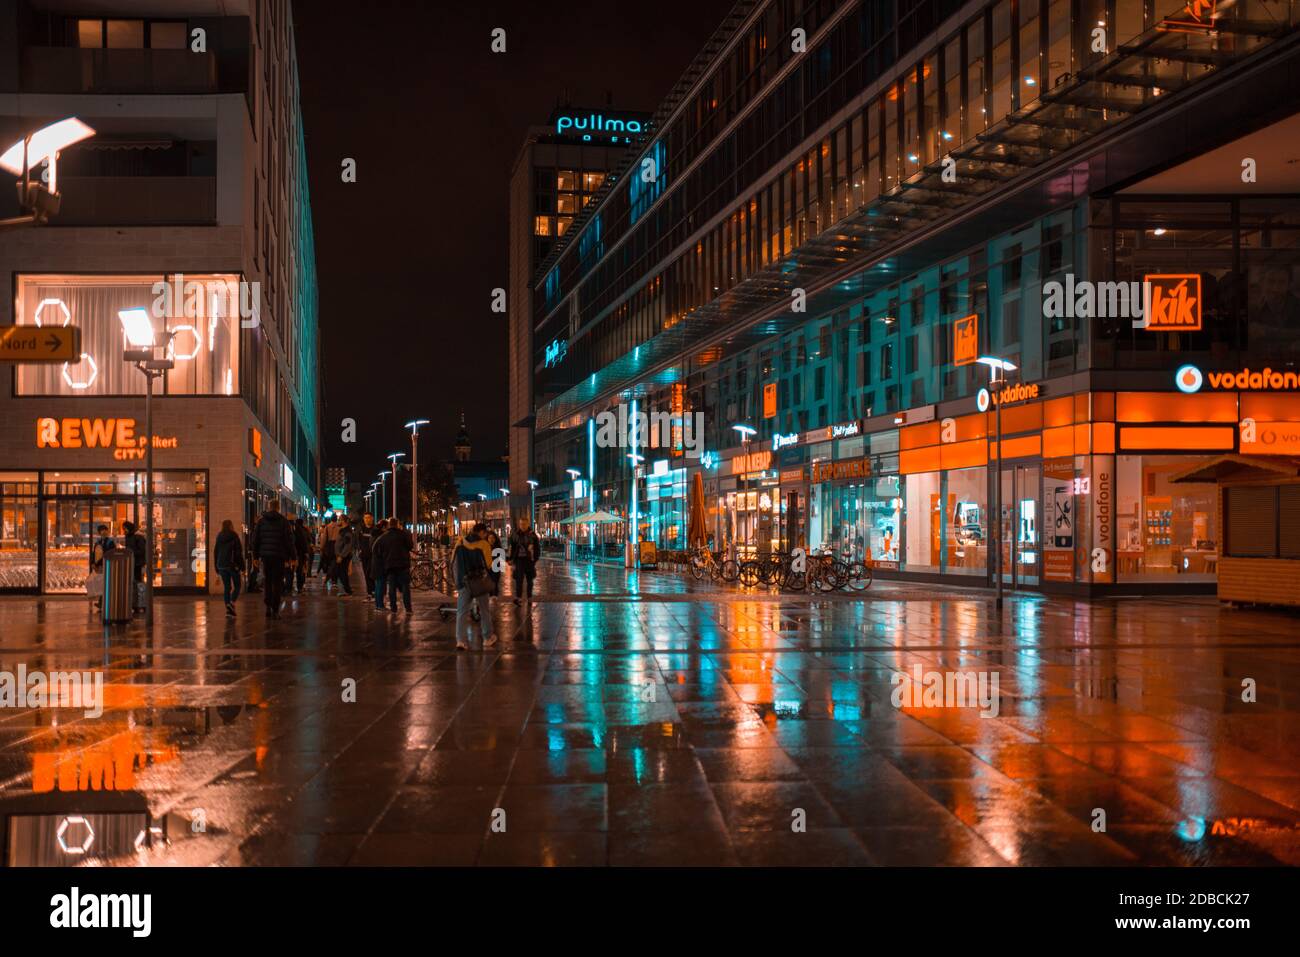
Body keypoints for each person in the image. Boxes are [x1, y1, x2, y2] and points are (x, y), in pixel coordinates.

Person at [452, 522, 495, 650]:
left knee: (462, 612)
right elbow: (489, 565)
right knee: (484, 610)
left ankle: (460, 641)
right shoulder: (484, 544)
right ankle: (487, 638)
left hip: (464, 582)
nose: (486, 535)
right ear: (481, 532)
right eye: (485, 533)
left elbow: (452, 562)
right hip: (479, 582)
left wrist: (457, 581)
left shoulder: (460, 542)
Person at [250, 500, 295, 619]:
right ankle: (275, 609)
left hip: (266, 556)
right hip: (279, 556)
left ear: (269, 507)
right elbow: (289, 541)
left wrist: (255, 556)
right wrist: (293, 557)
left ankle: (268, 607)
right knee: (277, 583)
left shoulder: (261, 521)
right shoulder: (284, 522)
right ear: (278, 507)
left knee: (268, 581)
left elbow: (255, 540)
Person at [376, 518, 414, 614]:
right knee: (405, 587)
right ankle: (408, 608)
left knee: (391, 588)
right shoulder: (403, 535)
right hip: (403, 565)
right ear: (397, 524)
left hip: (390, 566)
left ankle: (393, 608)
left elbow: (378, 550)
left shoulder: (384, 536)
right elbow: (410, 546)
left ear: (389, 525)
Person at [213, 519, 245, 616]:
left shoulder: (219, 536)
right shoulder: (234, 536)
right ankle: (231, 603)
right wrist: (242, 567)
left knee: (227, 587)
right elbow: (238, 553)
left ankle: (228, 609)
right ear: (231, 526)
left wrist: (216, 567)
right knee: (238, 586)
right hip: (232, 565)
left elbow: (216, 552)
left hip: (221, 565)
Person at [507, 516, 541, 606]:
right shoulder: (515, 534)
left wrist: (535, 559)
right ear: (519, 524)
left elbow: (537, 548)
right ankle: (519, 597)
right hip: (519, 560)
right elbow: (512, 547)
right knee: (519, 579)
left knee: (530, 580)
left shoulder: (532, 535)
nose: (522, 526)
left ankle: (529, 597)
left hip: (529, 560)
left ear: (528, 524)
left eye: (524, 524)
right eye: (521, 524)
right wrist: (510, 559)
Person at [87, 524, 117, 611]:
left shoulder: (110, 543)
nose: (104, 532)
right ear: (99, 532)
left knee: (105, 584)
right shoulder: (97, 542)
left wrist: (99, 564)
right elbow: (93, 554)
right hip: (98, 567)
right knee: (99, 584)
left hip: (105, 566)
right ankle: (101, 602)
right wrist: (92, 563)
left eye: (105, 530)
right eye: (102, 530)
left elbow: (109, 554)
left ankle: (103, 603)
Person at [122, 521, 148, 613]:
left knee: (139, 583)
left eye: (125, 528)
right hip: (132, 563)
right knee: (134, 583)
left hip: (138, 563)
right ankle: (134, 602)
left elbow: (142, 550)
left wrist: (131, 552)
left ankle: (141, 603)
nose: (124, 530)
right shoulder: (128, 537)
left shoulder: (138, 537)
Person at [333, 514, 356, 596]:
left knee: (342, 573)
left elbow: (348, 545)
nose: (338, 521)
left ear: (344, 521)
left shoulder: (347, 531)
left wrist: (341, 556)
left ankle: (348, 590)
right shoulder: (342, 530)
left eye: (340, 519)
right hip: (340, 555)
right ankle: (347, 590)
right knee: (341, 572)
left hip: (343, 556)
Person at [357, 513, 379, 597]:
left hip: (373, 555)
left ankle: (373, 590)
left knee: (371, 573)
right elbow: (358, 540)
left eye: (369, 518)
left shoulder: (375, 529)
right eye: (365, 518)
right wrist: (359, 550)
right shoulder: (361, 529)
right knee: (366, 573)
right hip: (364, 555)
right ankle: (370, 592)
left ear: (372, 518)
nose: (367, 519)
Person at [370, 518, 389, 609]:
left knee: (378, 585)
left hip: (375, 563)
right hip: (380, 564)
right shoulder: (381, 537)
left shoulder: (374, 535)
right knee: (380, 585)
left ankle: (378, 605)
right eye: (387, 527)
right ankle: (380, 605)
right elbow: (383, 551)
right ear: (384, 527)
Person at [292, 518, 311, 593]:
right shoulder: (303, 530)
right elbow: (306, 541)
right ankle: (300, 585)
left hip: (295, 552)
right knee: (301, 569)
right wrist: (306, 552)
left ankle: (296, 585)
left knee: (296, 570)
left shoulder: (295, 530)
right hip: (301, 553)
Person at [318, 517, 338, 588]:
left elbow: (324, 539)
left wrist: (322, 548)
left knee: (331, 563)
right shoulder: (339, 526)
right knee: (335, 564)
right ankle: (334, 580)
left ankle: (331, 578)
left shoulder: (327, 527)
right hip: (337, 546)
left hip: (329, 547)